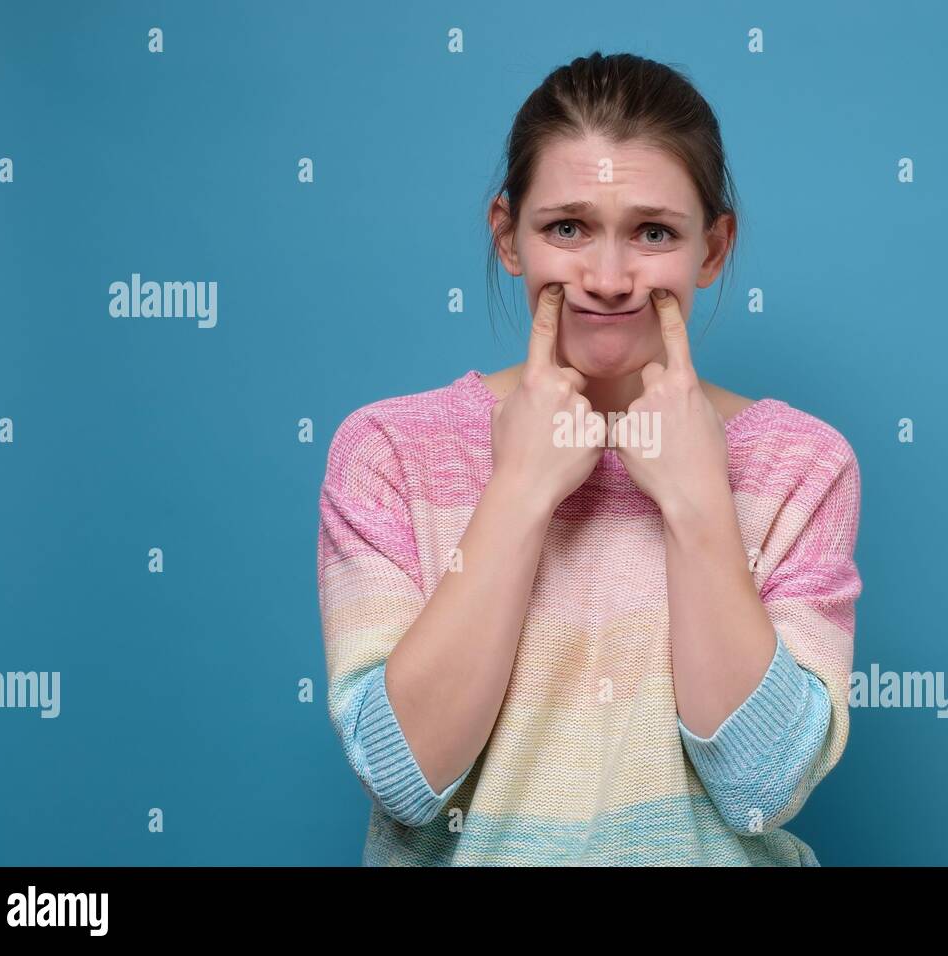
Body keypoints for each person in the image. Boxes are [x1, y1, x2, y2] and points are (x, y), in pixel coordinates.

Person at [317, 51, 861, 865]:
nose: (608, 279)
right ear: (508, 236)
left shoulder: (801, 465)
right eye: (567, 227)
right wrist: (522, 490)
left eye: (653, 233)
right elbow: (405, 777)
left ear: (713, 250)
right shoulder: (390, 451)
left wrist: (697, 503)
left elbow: (762, 787)